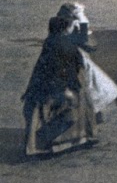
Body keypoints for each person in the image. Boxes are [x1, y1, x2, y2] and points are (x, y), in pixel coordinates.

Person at [22, 14, 95, 156]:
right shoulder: (69, 45)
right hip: (57, 88)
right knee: (75, 107)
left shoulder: (49, 42)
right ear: (64, 29)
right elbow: (78, 67)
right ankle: (57, 138)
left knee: (34, 111)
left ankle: (31, 147)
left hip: (39, 86)